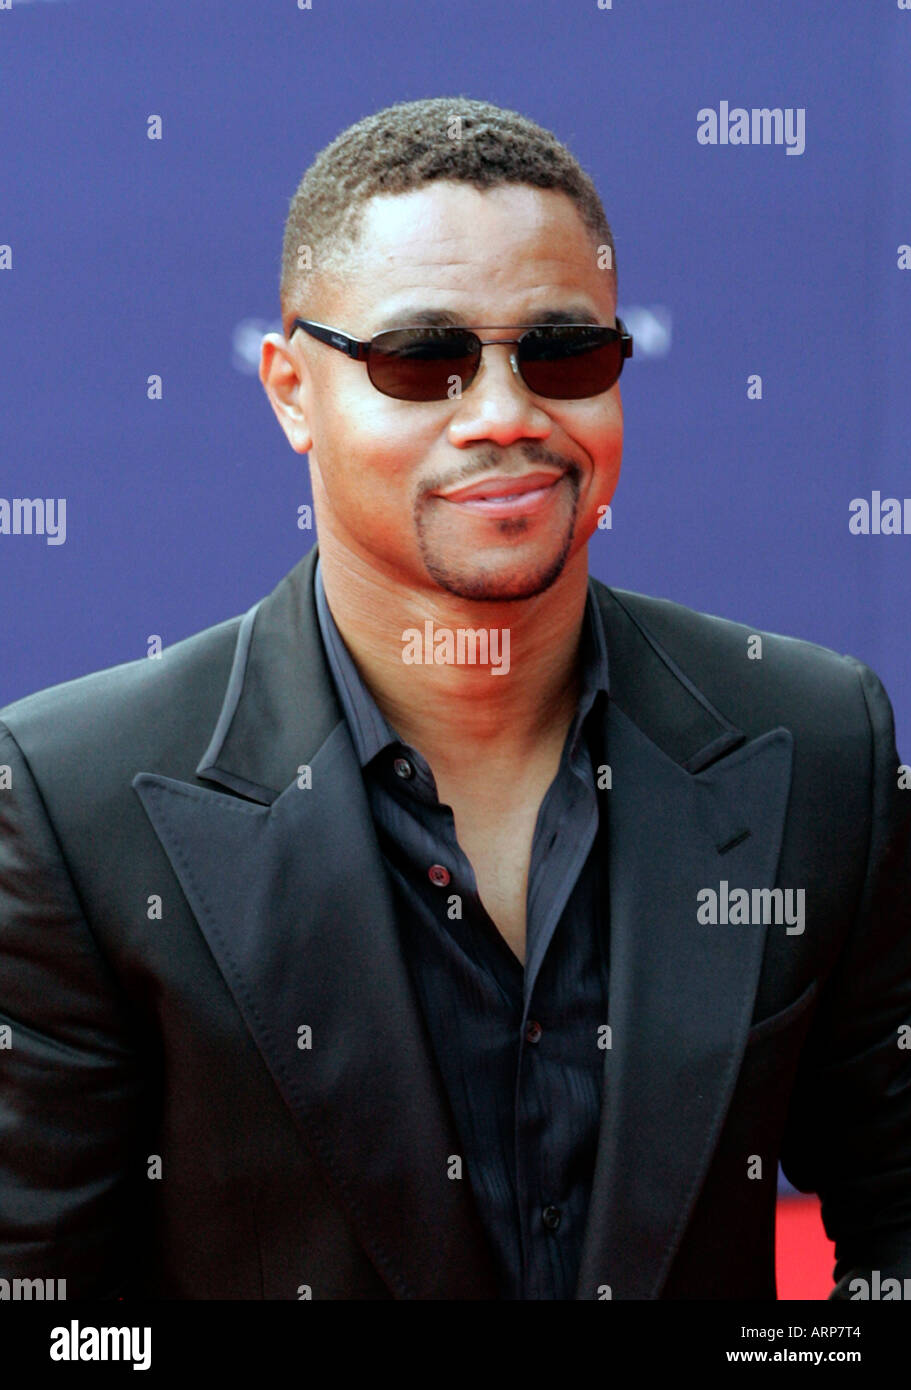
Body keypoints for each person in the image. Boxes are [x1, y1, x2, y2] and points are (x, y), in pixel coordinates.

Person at [1, 96, 909, 1301]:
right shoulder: (79, 795)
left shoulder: (814, 740)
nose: (503, 416)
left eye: (562, 354)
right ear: (289, 391)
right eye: (421, 361)